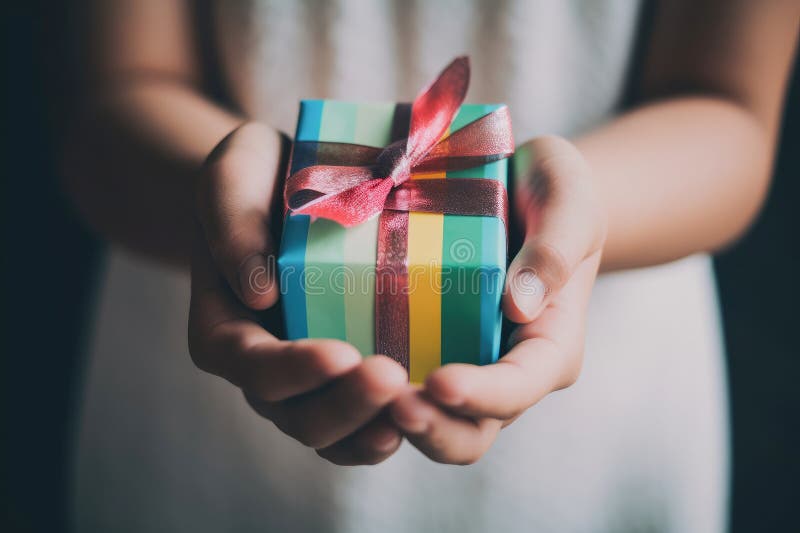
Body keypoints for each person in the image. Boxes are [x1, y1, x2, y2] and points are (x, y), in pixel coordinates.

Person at [62, 1, 798, 531]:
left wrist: (579, 213)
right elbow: (111, 89)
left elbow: (728, 105)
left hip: (596, 402)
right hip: (202, 392)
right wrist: (221, 200)